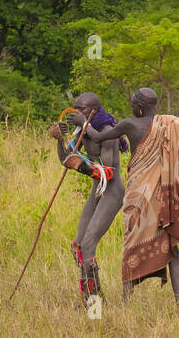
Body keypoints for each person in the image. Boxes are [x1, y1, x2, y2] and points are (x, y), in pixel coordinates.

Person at [89, 88, 179, 303]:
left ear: (141, 108)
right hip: (165, 199)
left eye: (134, 104)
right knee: (172, 250)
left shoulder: (129, 124)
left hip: (138, 200)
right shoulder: (168, 126)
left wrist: (84, 121)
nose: (132, 108)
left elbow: (97, 137)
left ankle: (126, 302)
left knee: (132, 245)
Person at [49, 92, 125, 301]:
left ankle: (93, 302)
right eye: (74, 109)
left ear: (92, 111)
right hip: (97, 191)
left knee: (89, 245)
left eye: (80, 110)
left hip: (112, 192)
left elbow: (108, 172)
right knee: (79, 246)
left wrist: (82, 166)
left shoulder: (109, 130)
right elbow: (66, 158)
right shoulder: (82, 131)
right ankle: (92, 295)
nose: (75, 113)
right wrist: (60, 139)